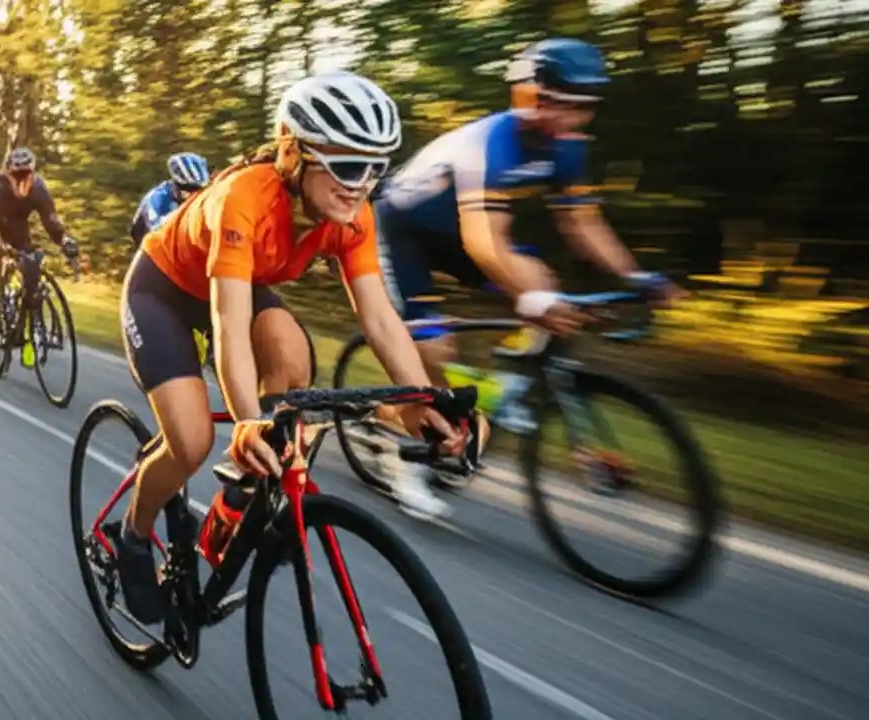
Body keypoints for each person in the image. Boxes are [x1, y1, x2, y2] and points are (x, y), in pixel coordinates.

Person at [110, 71, 468, 624]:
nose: (361, 185)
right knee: (191, 440)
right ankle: (133, 536)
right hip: (161, 289)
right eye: (348, 166)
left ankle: (243, 490)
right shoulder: (243, 198)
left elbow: (379, 317)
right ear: (291, 151)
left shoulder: (355, 216)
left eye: (377, 168)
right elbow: (229, 325)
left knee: (292, 365)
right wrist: (248, 421)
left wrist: (424, 400)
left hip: (237, 280)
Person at [374, 37, 683, 366]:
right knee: (432, 346)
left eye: (582, 107)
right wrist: (532, 301)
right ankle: (408, 410)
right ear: (525, 96)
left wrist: (636, 276)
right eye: (557, 103)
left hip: (458, 234)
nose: (571, 119)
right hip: (401, 231)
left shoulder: (568, 148)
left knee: (542, 280)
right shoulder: (489, 143)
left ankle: (515, 389)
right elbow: (483, 240)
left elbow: (584, 223)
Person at [0, 147, 78, 327]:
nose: (22, 181)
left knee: (29, 258)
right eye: (16, 176)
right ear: (7, 174)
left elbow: (50, 220)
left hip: (17, 221)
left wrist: (64, 240)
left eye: (26, 175)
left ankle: (24, 310)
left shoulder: (38, 188)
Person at [127, 152, 212, 247]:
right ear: (177, 186)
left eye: (201, 190)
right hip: (152, 248)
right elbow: (160, 235)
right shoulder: (158, 199)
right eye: (190, 190)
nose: (196, 195)